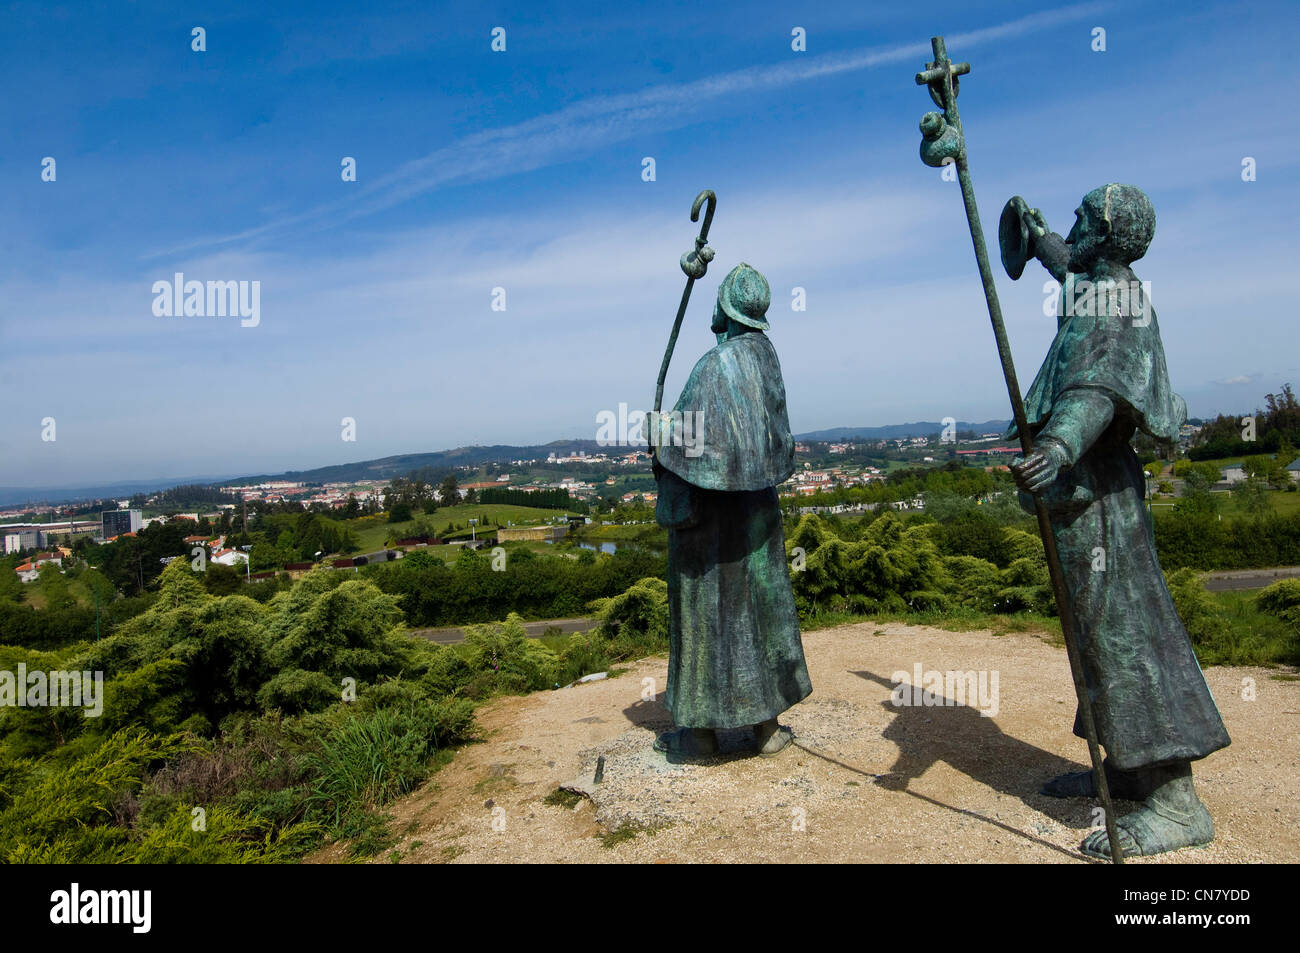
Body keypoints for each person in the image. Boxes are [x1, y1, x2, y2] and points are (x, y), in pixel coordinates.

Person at [1008, 185, 1230, 858]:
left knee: (1126, 630)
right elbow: (1063, 260)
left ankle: (1173, 801)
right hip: (1087, 489)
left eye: (1080, 216)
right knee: (1096, 634)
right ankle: (1128, 772)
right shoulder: (1094, 281)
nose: (1070, 224)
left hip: (1098, 487)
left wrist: (1057, 446)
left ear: (1105, 233)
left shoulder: (1117, 301)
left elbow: (1098, 385)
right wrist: (1030, 226)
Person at [651, 263, 812, 758]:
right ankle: (765, 727)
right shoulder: (768, 358)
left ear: (724, 310)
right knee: (761, 613)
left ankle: (700, 734)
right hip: (756, 510)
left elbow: (696, 444)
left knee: (705, 614)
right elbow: (771, 443)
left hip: (711, 520)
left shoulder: (714, 365)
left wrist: (658, 431)